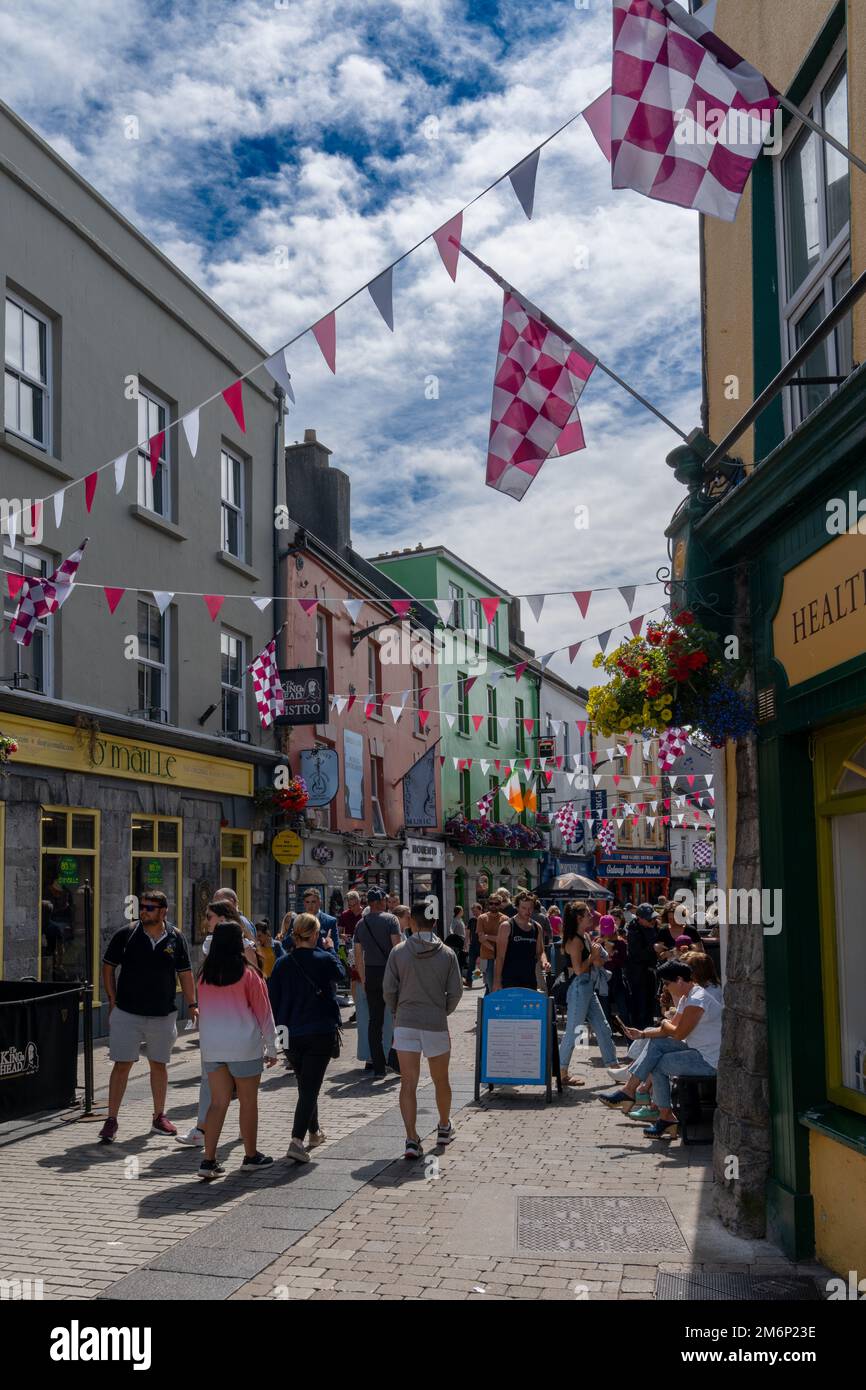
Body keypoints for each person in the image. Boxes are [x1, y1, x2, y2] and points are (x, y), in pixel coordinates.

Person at [99, 890, 195, 1143]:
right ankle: (111, 1120)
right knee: (122, 1064)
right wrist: (111, 1000)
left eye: (150, 908)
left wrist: (193, 1004)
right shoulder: (126, 934)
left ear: (164, 911)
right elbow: (108, 967)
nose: (143, 911)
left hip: (162, 1014)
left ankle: (158, 1117)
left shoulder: (176, 938)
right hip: (127, 1012)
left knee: (159, 1065)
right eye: (142, 906)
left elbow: (185, 973)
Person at [598, 959, 722, 1138]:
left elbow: (677, 1033)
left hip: (710, 1060)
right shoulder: (689, 997)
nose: (666, 987)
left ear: (679, 980)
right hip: (699, 1051)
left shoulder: (697, 1000)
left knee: (656, 1063)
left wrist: (663, 1023)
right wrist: (642, 1034)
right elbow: (671, 1028)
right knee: (655, 1046)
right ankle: (632, 1093)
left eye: (667, 983)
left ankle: (662, 1114)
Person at [196, 919, 278, 1179]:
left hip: (212, 1047)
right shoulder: (249, 974)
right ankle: (251, 1155)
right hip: (244, 1046)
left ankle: (208, 1160)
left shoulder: (204, 977)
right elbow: (264, 1013)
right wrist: (273, 1046)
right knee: (248, 1102)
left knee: (217, 1103)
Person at [383, 900, 463, 1160]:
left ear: (413, 922)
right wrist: (443, 1010)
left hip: (406, 1021)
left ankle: (411, 1138)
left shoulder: (399, 952)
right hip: (435, 1022)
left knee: (408, 1082)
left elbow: (388, 990)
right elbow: (456, 991)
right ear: (436, 922)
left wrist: (397, 1010)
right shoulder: (448, 954)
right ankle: (442, 1126)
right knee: (441, 1079)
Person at [177, 901, 260, 1148]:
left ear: (223, 919)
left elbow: (258, 997)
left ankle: (213, 1151)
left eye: (209, 916)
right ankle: (236, 1148)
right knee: (231, 1096)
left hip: (227, 1039)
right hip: (230, 1038)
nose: (206, 920)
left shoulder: (240, 953)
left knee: (226, 1097)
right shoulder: (214, 960)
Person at [268, 913, 344, 1162]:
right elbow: (341, 974)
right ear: (314, 935)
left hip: (289, 1033)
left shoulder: (282, 963)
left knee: (305, 1084)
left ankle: (314, 1131)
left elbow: (273, 1001)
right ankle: (296, 1140)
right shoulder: (324, 959)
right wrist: (331, 949)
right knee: (310, 1087)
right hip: (318, 1030)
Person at [558, 902, 618, 1083]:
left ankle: (614, 1067)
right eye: (588, 914)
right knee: (574, 1031)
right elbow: (578, 970)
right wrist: (592, 955)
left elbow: (596, 963)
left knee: (603, 1028)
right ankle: (561, 1072)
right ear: (579, 918)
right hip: (579, 986)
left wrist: (599, 952)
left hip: (588, 986)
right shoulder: (574, 940)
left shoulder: (585, 936)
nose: (592, 917)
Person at [354, 887, 402, 1078]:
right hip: (389, 972)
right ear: (381, 902)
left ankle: (378, 1067)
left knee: (375, 1022)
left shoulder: (361, 923)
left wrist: (363, 978)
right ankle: (396, 1060)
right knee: (397, 1018)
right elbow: (397, 949)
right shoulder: (391, 920)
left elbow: (358, 956)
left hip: (371, 974)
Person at [493, 891, 548, 992]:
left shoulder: (537, 927)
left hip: (530, 979)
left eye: (530, 908)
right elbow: (500, 957)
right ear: (517, 907)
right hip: (510, 979)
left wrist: (544, 961)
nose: (528, 911)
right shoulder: (507, 926)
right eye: (524, 908)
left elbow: (540, 951)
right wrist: (497, 981)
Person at [625, 904, 659, 1028]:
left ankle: (648, 1029)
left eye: (654, 918)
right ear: (640, 918)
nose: (653, 921)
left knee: (650, 1003)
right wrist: (653, 948)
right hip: (638, 973)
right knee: (640, 1004)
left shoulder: (654, 926)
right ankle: (639, 1033)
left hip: (650, 970)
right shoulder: (633, 930)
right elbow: (637, 954)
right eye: (650, 919)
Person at [476, 892, 508, 993]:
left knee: (501, 985)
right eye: (491, 903)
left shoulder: (505, 919)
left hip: (502, 957)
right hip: (487, 957)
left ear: (501, 904)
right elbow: (481, 939)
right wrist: (494, 948)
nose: (493, 905)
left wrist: (488, 936)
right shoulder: (482, 918)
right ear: (488, 904)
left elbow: (504, 939)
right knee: (490, 985)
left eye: (496, 903)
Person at [445, 905, 467, 979]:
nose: (463, 912)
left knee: (462, 960)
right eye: (462, 911)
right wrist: (453, 935)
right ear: (460, 912)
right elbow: (451, 929)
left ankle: (460, 977)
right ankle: (458, 977)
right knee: (459, 960)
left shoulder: (460, 920)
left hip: (462, 941)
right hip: (458, 942)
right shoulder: (455, 920)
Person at [465, 902, 482, 987]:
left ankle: (477, 977)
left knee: (481, 966)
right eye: (473, 911)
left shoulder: (483, 919)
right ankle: (469, 981)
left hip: (482, 945)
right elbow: (468, 932)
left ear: (480, 910)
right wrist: (466, 943)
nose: (474, 913)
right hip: (473, 945)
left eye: (475, 911)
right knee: (471, 964)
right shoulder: (471, 920)